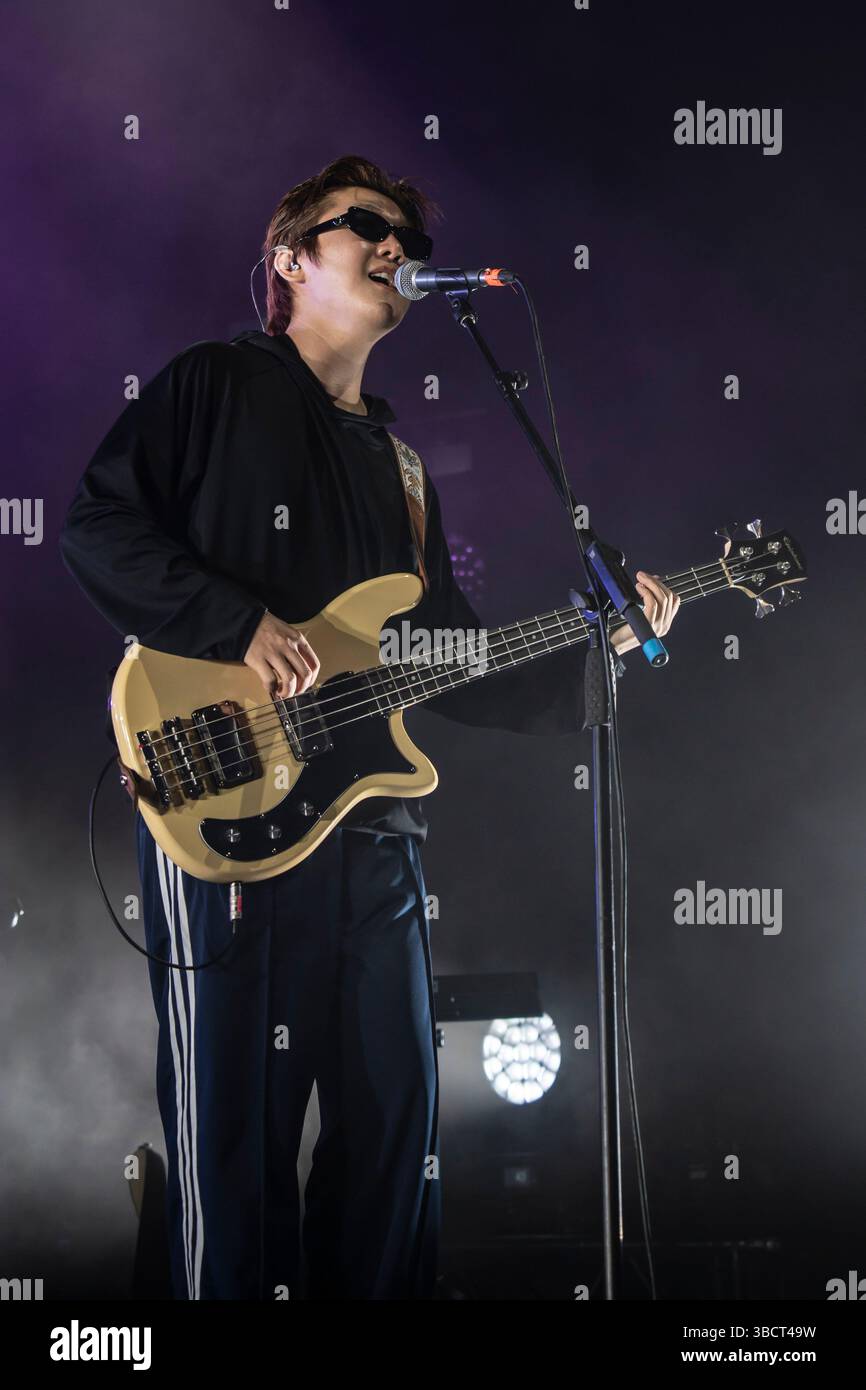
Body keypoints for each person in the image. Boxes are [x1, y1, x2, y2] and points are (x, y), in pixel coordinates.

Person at [59, 154, 680, 1301]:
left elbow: (439, 654)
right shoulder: (210, 387)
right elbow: (97, 528)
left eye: (405, 233)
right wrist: (236, 624)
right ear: (290, 259)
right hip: (227, 813)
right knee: (233, 1140)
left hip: (373, 833)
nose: (395, 245)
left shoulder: (400, 468)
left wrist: (595, 658)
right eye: (367, 227)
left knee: (397, 1141)